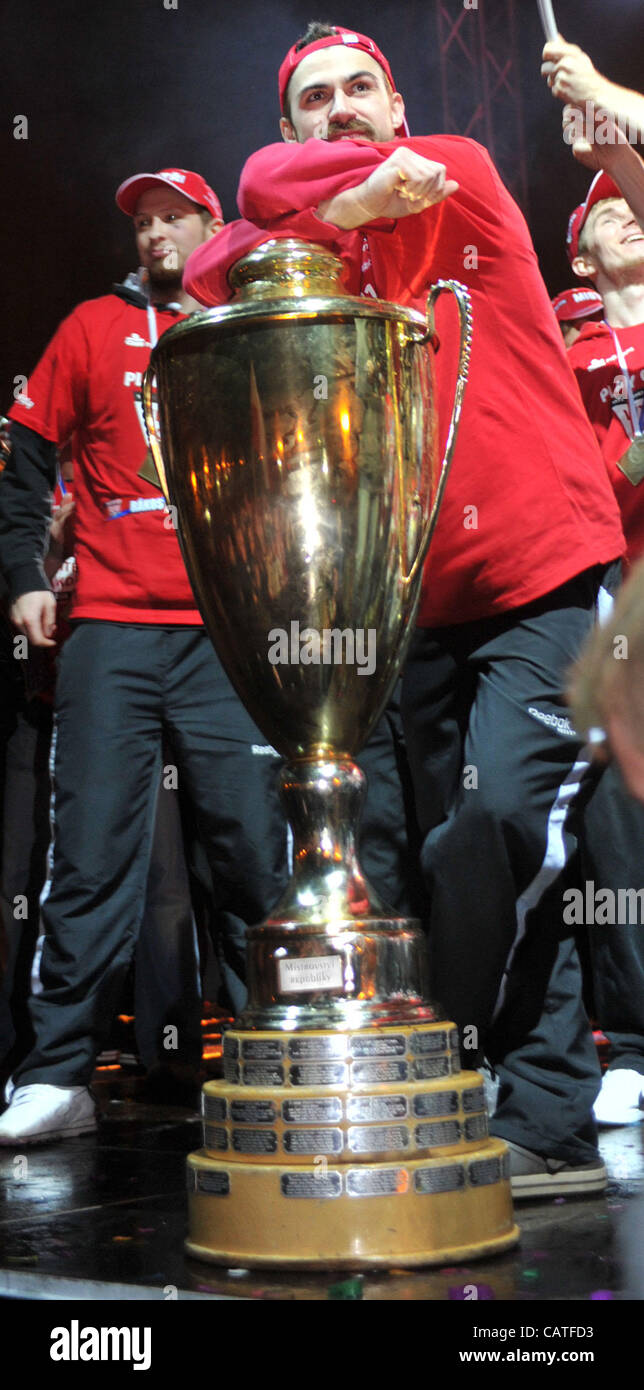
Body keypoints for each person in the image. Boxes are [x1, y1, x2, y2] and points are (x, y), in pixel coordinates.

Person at [184, 23, 629, 1197]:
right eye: (313, 99)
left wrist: (370, 193)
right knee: (466, 859)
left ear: (397, 106)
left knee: (497, 833)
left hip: (541, 570)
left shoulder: (459, 178)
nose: (338, 112)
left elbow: (309, 192)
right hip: (409, 606)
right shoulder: (312, 236)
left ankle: (438, 1054)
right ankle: (545, 1126)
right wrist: (341, 206)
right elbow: (221, 244)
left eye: (360, 92)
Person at [0, 168, 289, 1145]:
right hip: (112, 629)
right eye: (144, 221)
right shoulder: (88, 326)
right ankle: (57, 1072)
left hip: (224, 632)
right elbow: (27, 454)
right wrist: (22, 577)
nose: (156, 233)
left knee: (254, 851)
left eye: (175, 217)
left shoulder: (245, 322)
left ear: (213, 226)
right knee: (86, 857)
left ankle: (276, 1056)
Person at [552, 170, 644, 1127]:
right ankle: (631, 1039)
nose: (624, 207)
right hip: (621, 602)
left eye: (636, 197)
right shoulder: (560, 346)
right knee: (619, 833)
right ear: (580, 251)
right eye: (603, 206)